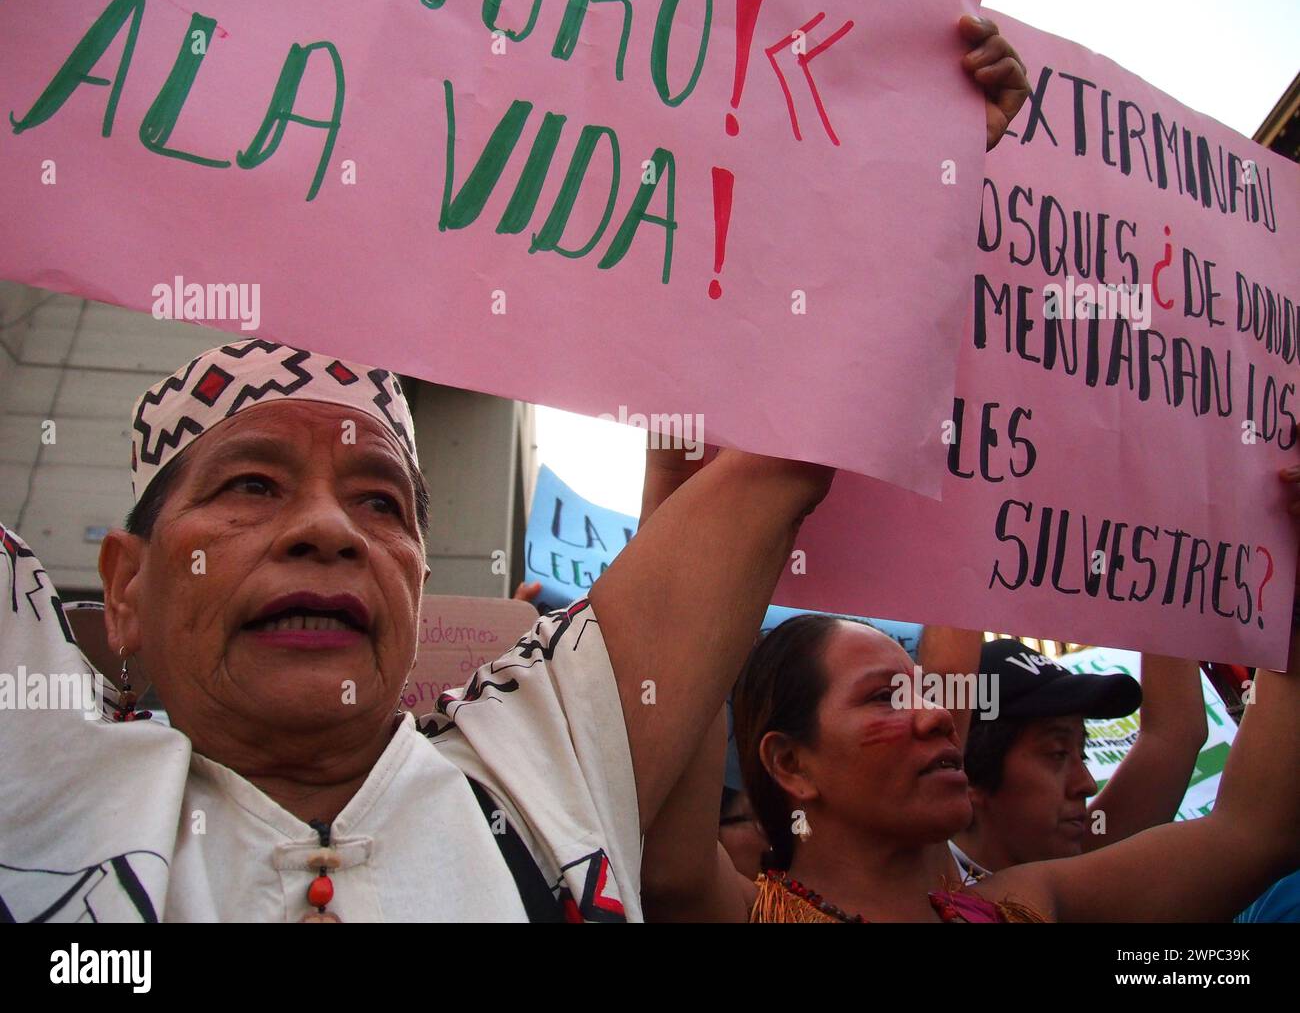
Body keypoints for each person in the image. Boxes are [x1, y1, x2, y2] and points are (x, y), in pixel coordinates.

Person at [0, 339, 831, 921]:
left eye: (379, 503)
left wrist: (936, 140)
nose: (330, 529)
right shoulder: (40, 786)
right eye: (251, 485)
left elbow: (789, 449)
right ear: (127, 584)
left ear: (418, 585)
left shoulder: (537, 780)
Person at [639, 474, 1300, 922]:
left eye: (927, 689)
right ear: (790, 763)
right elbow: (672, 639)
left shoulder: (1029, 902)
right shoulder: (725, 907)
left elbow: (1254, 830)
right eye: (884, 698)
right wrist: (677, 459)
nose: (936, 714)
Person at [953, 639, 1207, 878]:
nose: (1086, 784)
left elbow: (1175, 734)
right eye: (1058, 753)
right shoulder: (926, 903)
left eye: (1082, 753)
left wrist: (1167, 597)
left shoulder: (1075, 871)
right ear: (968, 774)